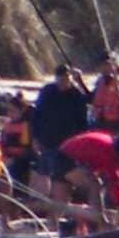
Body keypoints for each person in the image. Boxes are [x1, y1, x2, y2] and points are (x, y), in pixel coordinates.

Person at [50, 130, 119, 233]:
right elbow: (113, 182)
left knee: (61, 201)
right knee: (94, 185)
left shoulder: (109, 143)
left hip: (60, 156)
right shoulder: (110, 152)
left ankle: (52, 228)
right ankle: (101, 224)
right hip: (67, 159)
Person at [31, 64, 89, 194]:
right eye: (60, 78)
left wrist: (80, 141)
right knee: (43, 170)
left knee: (62, 174)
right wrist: (35, 137)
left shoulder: (76, 95)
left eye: (65, 78)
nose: (62, 82)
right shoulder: (47, 91)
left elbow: (83, 121)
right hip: (46, 139)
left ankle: (61, 199)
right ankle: (41, 201)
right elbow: (36, 115)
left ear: (70, 78)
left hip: (68, 142)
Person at [0, 92, 36, 189]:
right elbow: (2, 143)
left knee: (17, 167)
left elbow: (27, 146)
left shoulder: (26, 126)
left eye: (13, 111)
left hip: (22, 158)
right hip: (8, 157)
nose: (9, 114)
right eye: (8, 111)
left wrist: (13, 158)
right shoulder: (7, 126)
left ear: (22, 111)